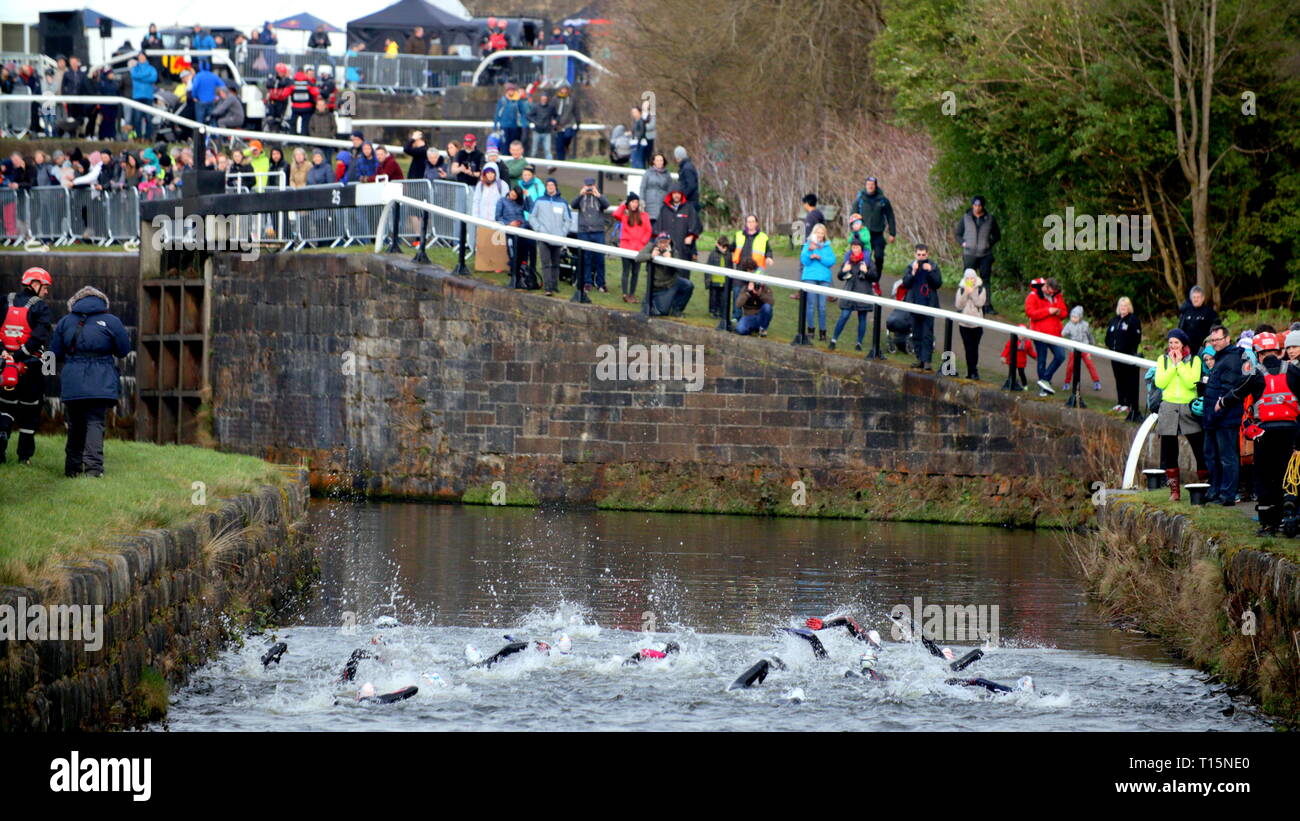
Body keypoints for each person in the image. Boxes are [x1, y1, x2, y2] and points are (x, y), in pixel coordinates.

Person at [48, 286, 130, 478]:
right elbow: (123, 351)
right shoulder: (112, 321)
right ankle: (93, 469)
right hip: (100, 380)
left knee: (75, 423)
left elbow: (54, 353)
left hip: (73, 380)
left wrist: (45, 372)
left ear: (75, 302)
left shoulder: (65, 322)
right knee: (95, 422)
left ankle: (72, 469)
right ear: (102, 302)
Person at [1227, 332, 1300, 535]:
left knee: (1265, 477)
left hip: (1265, 432)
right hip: (1291, 431)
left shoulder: (1256, 373)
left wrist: (1221, 402)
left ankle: (1269, 524)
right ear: (1278, 350)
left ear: (1257, 353)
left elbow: (1238, 392)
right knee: (1289, 475)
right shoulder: (1293, 371)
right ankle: (1291, 517)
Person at [0, 268, 54, 465]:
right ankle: (24, 457)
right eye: (45, 287)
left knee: (5, 406)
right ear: (35, 284)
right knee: (30, 411)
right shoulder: (41, 308)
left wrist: (5, 353)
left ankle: (1, 448)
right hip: (31, 367)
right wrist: (20, 355)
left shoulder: (5, 301)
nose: (46, 292)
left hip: (6, 366)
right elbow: (39, 336)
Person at [1154, 328, 1207, 501]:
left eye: (1176, 342)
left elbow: (1192, 382)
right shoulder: (1163, 360)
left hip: (1188, 408)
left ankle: (1204, 485)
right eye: (1170, 343)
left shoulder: (1195, 360)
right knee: (1170, 450)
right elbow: (1160, 382)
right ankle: (1174, 490)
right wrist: (1173, 366)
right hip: (1168, 407)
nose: (1173, 346)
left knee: (1198, 447)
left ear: (1183, 344)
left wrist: (1180, 365)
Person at [1201, 325, 1248, 506]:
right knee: (1211, 455)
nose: (1215, 343)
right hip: (1213, 419)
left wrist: (1215, 414)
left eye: (1218, 340)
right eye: (1212, 340)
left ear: (1228, 339)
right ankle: (1215, 490)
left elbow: (1228, 392)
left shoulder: (1233, 359)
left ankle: (1228, 495)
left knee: (1227, 458)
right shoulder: (1221, 358)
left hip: (1225, 419)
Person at [830, 237, 878, 352]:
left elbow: (875, 277)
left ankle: (859, 343)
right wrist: (843, 271)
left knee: (862, 318)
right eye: (853, 247)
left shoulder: (868, 262)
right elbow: (840, 276)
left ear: (861, 249)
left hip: (863, 292)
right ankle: (833, 340)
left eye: (857, 247)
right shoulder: (848, 260)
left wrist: (866, 272)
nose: (855, 249)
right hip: (849, 292)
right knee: (844, 315)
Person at [954, 196, 1001, 314]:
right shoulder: (966, 218)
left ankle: (986, 304)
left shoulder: (990, 219)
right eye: (975, 205)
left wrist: (988, 243)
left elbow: (997, 235)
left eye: (979, 206)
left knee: (985, 280)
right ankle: (965, 303)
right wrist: (963, 243)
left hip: (985, 254)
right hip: (970, 253)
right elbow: (958, 234)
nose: (977, 208)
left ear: (983, 206)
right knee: (968, 279)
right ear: (972, 205)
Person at [530, 178, 574, 296]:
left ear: (556, 186)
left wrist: (562, 232)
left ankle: (554, 285)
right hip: (543, 237)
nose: (550, 187)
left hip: (557, 237)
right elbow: (532, 217)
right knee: (546, 263)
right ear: (546, 187)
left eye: (552, 185)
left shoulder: (563, 202)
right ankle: (548, 287)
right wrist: (539, 229)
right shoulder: (539, 200)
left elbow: (568, 220)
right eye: (548, 185)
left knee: (555, 263)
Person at [901, 244, 942, 369]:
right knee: (916, 333)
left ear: (927, 254)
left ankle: (927, 361)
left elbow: (938, 283)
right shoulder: (910, 267)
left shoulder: (933, 266)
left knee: (927, 334)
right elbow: (905, 284)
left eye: (923, 255)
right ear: (915, 255)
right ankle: (919, 359)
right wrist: (913, 272)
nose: (921, 257)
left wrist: (930, 271)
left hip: (928, 304)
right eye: (919, 255)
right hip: (915, 304)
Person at [1024, 277, 1067, 394]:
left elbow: (1064, 313)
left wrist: (1058, 312)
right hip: (1040, 333)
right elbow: (1031, 313)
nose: (1052, 294)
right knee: (1041, 360)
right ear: (1046, 286)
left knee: (1060, 356)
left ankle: (1045, 379)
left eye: (1054, 292)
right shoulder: (1033, 296)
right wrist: (1048, 311)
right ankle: (1044, 388)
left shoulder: (1057, 296)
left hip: (1055, 333)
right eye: (1050, 291)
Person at [636, 232, 694, 316]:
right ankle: (652, 302)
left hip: (671, 282)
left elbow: (680, 269)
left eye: (665, 242)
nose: (663, 245)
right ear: (657, 242)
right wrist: (651, 256)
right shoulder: (651, 246)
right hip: (657, 286)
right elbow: (638, 258)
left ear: (669, 241)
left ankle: (677, 310)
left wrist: (670, 260)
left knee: (688, 285)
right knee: (662, 312)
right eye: (661, 242)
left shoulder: (673, 250)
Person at [1106, 296, 1143, 419]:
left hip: (1127, 355)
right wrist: (1111, 346)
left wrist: (1128, 350)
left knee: (1127, 379)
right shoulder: (1114, 320)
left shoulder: (1133, 320)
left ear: (1129, 307)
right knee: (1118, 378)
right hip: (1114, 354)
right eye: (1121, 306)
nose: (1123, 308)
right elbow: (1108, 336)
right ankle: (1120, 402)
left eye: (1125, 306)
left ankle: (1128, 404)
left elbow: (1136, 338)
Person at [612, 193, 653, 303]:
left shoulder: (644, 215)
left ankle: (632, 294)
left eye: (636, 202)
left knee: (636, 272)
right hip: (626, 247)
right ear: (628, 203)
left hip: (638, 249)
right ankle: (625, 294)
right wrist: (624, 206)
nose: (635, 204)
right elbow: (615, 214)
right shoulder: (625, 215)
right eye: (632, 202)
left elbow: (648, 230)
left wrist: (642, 243)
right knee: (626, 271)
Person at [571, 178, 610, 294]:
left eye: (591, 185)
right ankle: (587, 282)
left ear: (595, 185)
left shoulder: (599, 197)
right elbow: (573, 204)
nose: (589, 188)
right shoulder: (581, 197)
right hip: (584, 232)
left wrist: (598, 195)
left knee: (600, 259)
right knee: (586, 258)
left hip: (598, 232)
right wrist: (580, 194)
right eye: (588, 186)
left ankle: (601, 283)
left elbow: (607, 205)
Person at [851, 176, 896, 277]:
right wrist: (854, 229)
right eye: (868, 184)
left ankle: (876, 280)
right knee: (862, 257)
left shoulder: (883, 201)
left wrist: (892, 233)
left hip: (878, 234)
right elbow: (852, 216)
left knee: (879, 257)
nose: (870, 186)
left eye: (872, 185)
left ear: (875, 186)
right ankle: (860, 278)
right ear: (865, 185)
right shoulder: (859, 200)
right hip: (863, 234)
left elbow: (890, 216)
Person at [800, 223, 837, 343]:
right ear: (814, 234)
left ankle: (823, 332)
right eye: (818, 233)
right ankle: (810, 330)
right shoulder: (808, 245)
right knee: (810, 305)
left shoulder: (827, 247)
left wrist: (819, 257)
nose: (820, 235)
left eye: (822, 233)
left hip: (824, 279)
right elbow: (804, 261)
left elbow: (831, 261)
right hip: (810, 276)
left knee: (822, 307)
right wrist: (810, 253)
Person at [472, 163, 509, 272]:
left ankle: (498, 264)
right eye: (487, 173)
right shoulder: (480, 185)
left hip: (497, 220)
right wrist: (476, 216)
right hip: (483, 219)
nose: (490, 175)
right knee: (484, 243)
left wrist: (503, 218)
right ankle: (485, 263)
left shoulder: (502, 185)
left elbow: (505, 202)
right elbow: (476, 201)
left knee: (497, 244)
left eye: (492, 172)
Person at [495, 185, 531, 288]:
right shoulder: (502, 201)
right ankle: (515, 276)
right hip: (510, 231)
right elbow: (498, 217)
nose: (512, 197)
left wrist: (527, 196)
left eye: (515, 196)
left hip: (522, 230)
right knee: (512, 253)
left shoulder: (520, 202)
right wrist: (509, 224)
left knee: (524, 252)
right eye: (512, 194)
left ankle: (522, 273)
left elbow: (531, 208)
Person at [954, 269, 986, 379]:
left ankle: (974, 370)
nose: (970, 280)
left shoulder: (981, 289)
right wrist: (965, 293)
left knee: (975, 347)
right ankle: (970, 370)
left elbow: (980, 302)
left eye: (972, 278)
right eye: (968, 278)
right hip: (964, 324)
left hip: (977, 324)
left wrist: (972, 292)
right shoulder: (961, 289)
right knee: (968, 348)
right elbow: (958, 305)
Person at [1061, 306, 1102, 391]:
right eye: (1072, 317)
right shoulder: (1069, 325)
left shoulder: (1085, 325)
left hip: (1084, 348)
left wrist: (1092, 345)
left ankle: (1096, 382)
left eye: (1075, 317)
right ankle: (1067, 383)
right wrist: (1064, 333)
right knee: (1070, 366)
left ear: (1080, 317)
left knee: (1090, 365)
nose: (1073, 319)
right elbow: (1063, 333)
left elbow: (1089, 335)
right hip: (1074, 349)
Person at [658, 183, 701, 261]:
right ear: (671, 194)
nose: (676, 195)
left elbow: (696, 224)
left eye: (678, 193)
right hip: (667, 247)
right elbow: (658, 227)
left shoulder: (688, 208)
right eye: (674, 193)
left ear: (682, 194)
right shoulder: (664, 209)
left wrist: (691, 236)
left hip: (683, 247)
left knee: (682, 270)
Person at [733, 263, 774, 337]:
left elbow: (771, 303)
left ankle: (762, 329)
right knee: (740, 329)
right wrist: (748, 293)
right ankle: (752, 329)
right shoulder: (745, 288)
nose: (757, 284)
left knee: (767, 307)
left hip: (761, 316)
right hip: (749, 316)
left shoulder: (766, 289)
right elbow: (738, 304)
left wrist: (760, 294)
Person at [1177, 286, 1219, 353]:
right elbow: (1180, 328)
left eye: (1198, 297)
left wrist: (1209, 342)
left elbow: (1215, 328)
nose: (1196, 299)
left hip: (1203, 347)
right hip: (1187, 347)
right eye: (1194, 297)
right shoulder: (1186, 312)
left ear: (1203, 298)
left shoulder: (1209, 312)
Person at [128, 54, 158, 140]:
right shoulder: (135, 68)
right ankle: (139, 137)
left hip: (148, 96)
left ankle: (148, 138)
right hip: (137, 96)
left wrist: (140, 77)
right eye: (139, 56)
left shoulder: (151, 68)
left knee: (149, 118)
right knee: (137, 118)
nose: (141, 58)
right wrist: (146, 75)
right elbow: (134, 76)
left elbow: (153, 78)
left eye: (142, 56)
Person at [641, 153, 672, 230]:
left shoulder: (667, 175)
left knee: (659, 227)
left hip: (662, 204)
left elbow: (670, 190)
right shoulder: (648, 173)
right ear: (653, 162)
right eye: (657, 160)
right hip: (649, 204)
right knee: (649, 227)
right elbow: (643, 187)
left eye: (661, 160)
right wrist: (642, 201)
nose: (659, 162)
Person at [552, 83, 580, 161]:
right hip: (558, 124)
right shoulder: (555, 99)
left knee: (568, 136)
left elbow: (576, 110)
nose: (564, 90)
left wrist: (578, 122)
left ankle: (566, 146)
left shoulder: (572, 99)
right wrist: (553, 120)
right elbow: (552, 110)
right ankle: (561, 160)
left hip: (568, 122)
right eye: (562, 89)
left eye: (565, 89)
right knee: (559, 144)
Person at [288, 69, 319, 136]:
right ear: (305, 74)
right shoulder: (309, 83)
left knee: (293, 124)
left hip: (295, 107)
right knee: (305, 125)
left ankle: (292, 140)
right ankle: (303, 141)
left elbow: (285, 93)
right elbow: (316, 93)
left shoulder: (293, 82)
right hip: (307, 107)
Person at [529, 90, 556, 159]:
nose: (544, 100)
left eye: (545, 98)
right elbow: (529, 116)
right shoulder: (536, 107)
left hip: (547, 131)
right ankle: (531, 166)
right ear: (541, 98)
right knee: (534, 151)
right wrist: (536, 122)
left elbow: (556, 116)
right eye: (543, 98)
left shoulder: (551, 107)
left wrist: (555, 120)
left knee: (547, 150)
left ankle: (550, 166)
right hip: (537, 131)